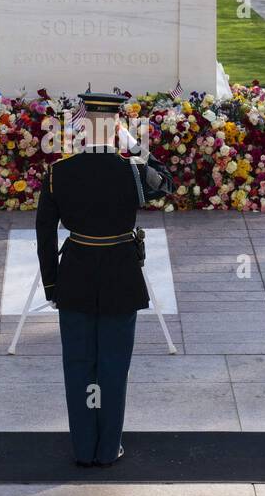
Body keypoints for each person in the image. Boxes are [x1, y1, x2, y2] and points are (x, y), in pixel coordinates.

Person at [36, 92, 173, 467]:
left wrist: (51, 286)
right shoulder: (131, 171)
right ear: (115, 128)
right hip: (120, 275)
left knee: (79, 364)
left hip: (76, 274)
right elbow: (167, 184)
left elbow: (45, 234)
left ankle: (84, 447)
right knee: (113, 364)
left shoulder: (58, 173)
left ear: (82, 128)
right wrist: (136, 147)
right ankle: (108, 447)